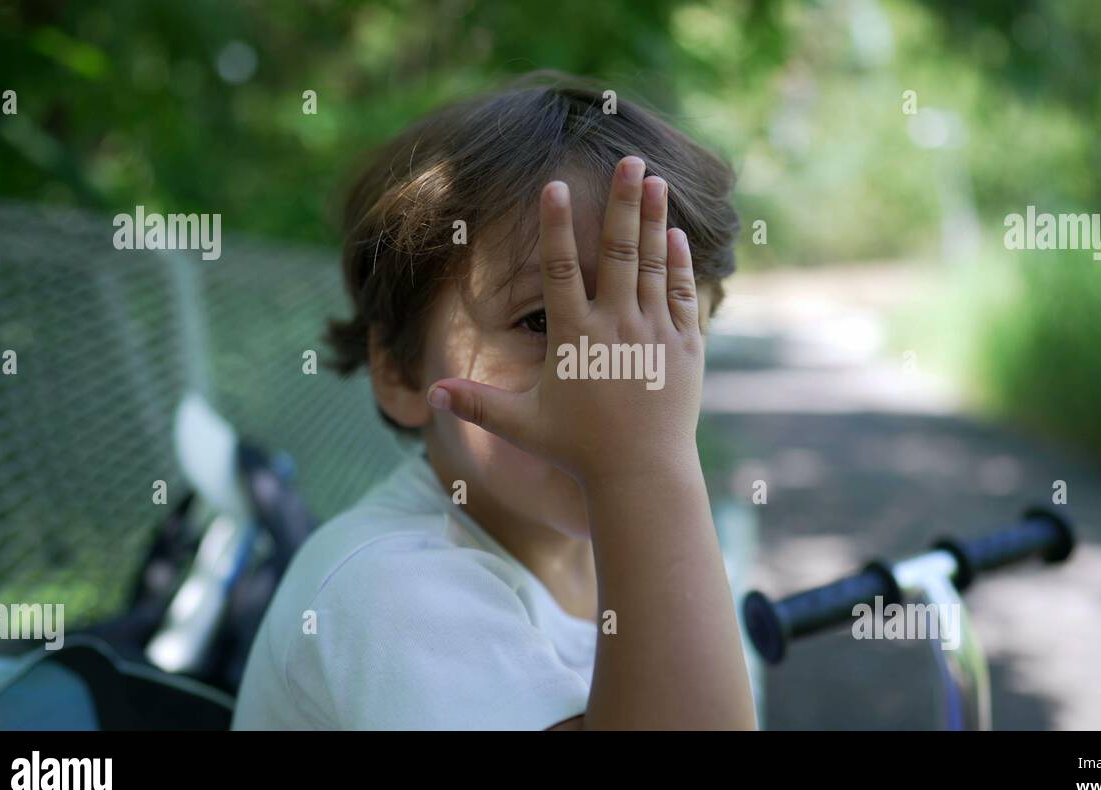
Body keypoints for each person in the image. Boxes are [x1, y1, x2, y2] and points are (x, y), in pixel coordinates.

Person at [233, 72, 756, 730]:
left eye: (657, 324)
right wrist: (642, 468)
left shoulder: (618, 555)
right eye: (540, 321)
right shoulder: (387, 589)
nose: (616, 378)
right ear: (398, 370)